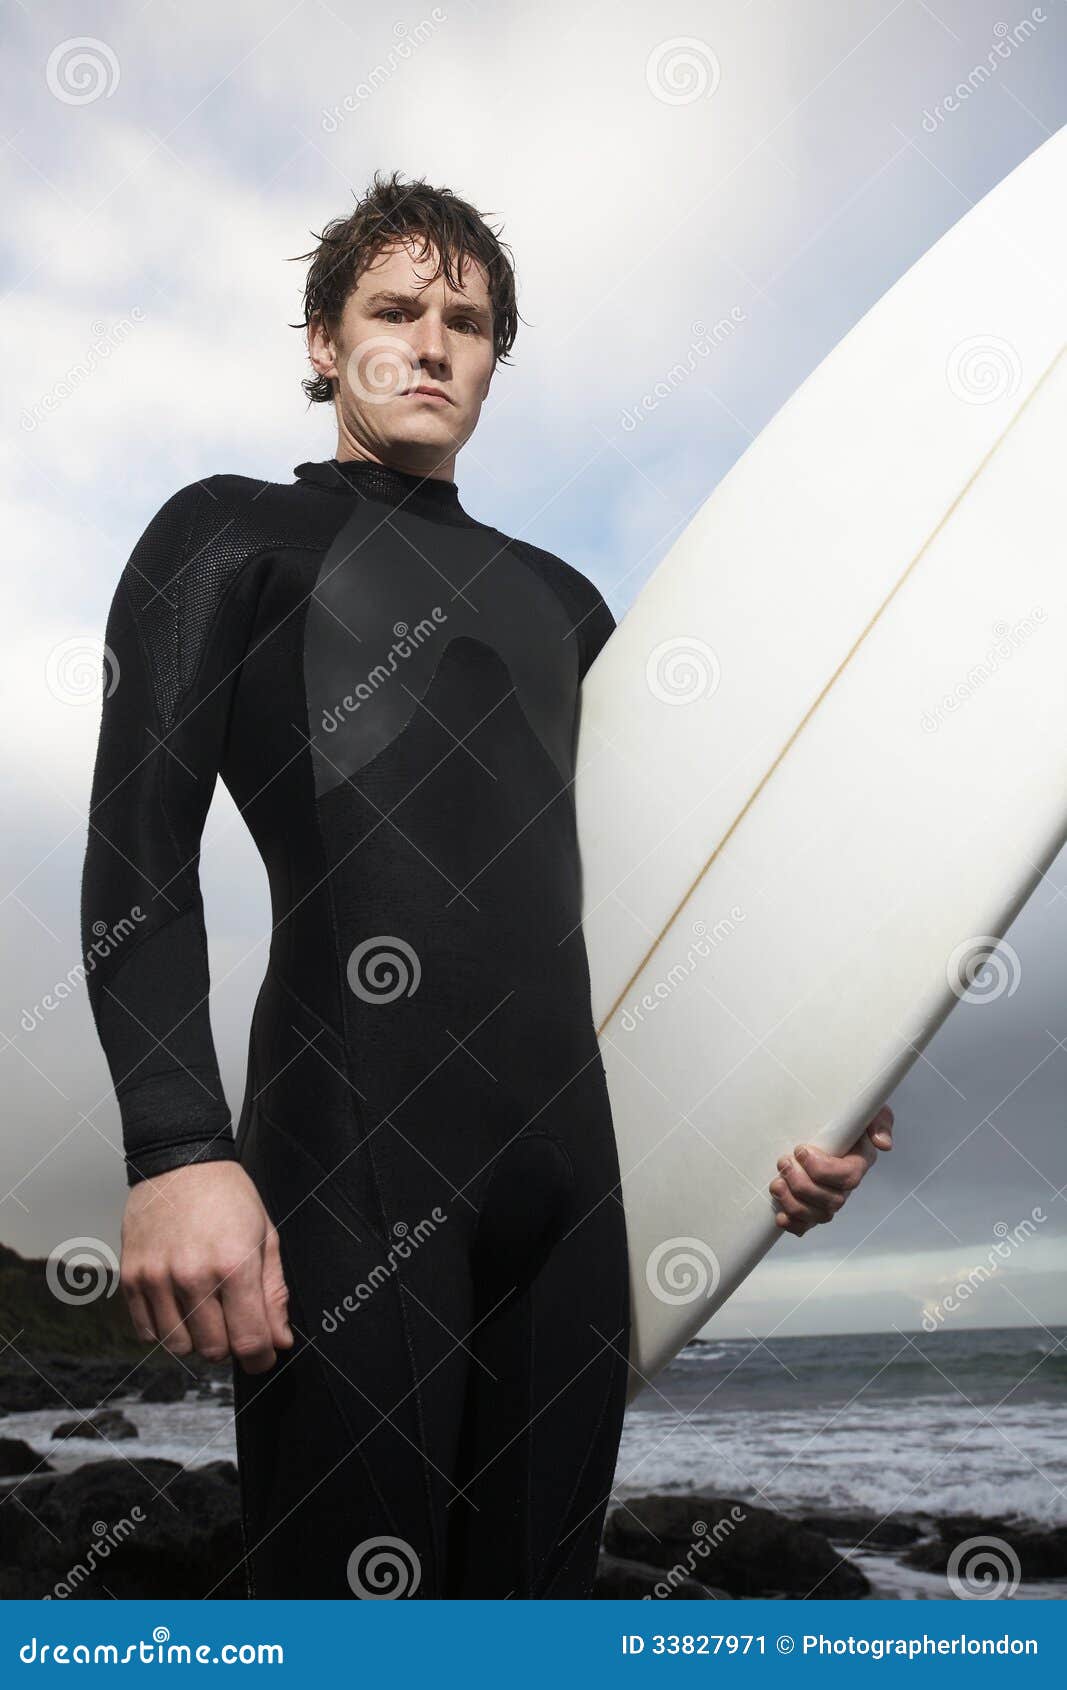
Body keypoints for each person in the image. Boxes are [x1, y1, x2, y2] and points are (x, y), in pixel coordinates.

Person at [80, 170, 895, 1600]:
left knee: (535, 1618)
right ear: (325, 343)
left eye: (467, 320)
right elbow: (138, 844)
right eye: (393, 308)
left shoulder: (571, 606)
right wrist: (173, 1149)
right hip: (347, 1157)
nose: (433, 341)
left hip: (573, 1193)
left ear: (495, 359)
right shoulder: (227, 538)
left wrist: (814, 1098)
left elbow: (685, 899)